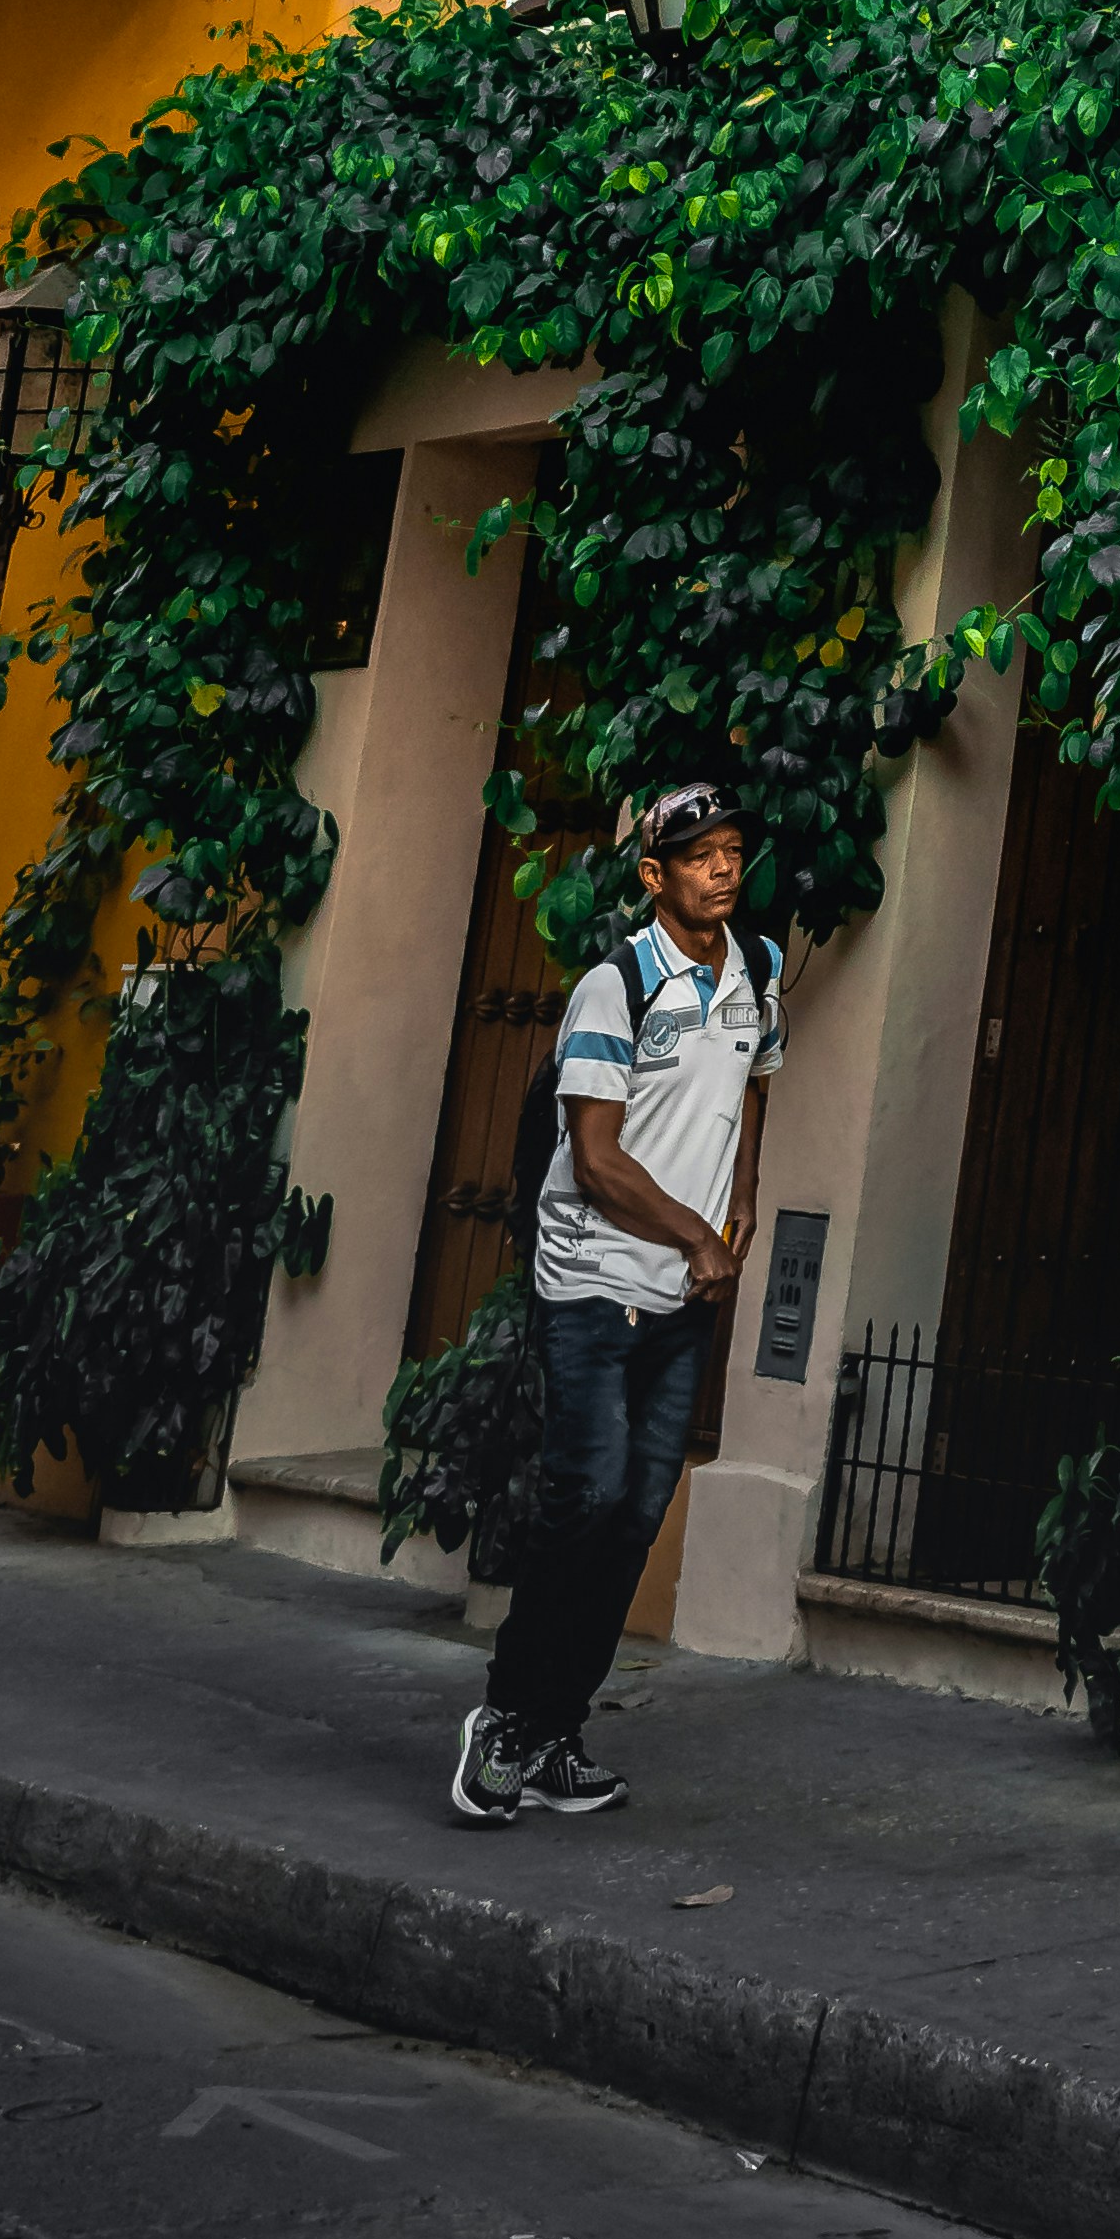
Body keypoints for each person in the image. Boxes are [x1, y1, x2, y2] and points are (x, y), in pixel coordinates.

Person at [455, 767, 780, 1829]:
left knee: (637, 1516)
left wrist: (741, 1198)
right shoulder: (616, 985)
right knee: (586, 1497)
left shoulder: (760, 970)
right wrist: (700, 1236)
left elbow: (752, 1087)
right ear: (654, 875)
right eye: (699, 857)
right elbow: (594, 1159)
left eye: (732, 853)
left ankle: (557, 1731)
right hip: (596, 1278)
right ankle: (506, 1716)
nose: (723, 870)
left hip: (685, 1290)